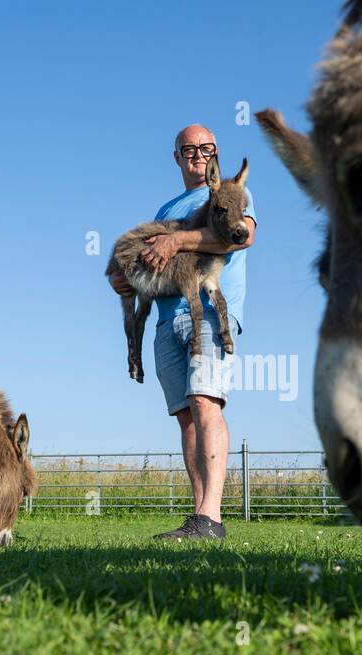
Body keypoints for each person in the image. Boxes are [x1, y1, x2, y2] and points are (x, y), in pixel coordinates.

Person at [109, 124, 257, 540]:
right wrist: (128, 280)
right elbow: (153, 264)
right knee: (186, 418)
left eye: (205, 148)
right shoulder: (165, 208)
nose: (197, 155)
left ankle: (212, 517)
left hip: (207, 313)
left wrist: (175, 243)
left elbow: (241, 237)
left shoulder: (231, 194)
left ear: (215, 154)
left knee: (206, 402)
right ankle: (199, 517)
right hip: (165, 318)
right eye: (188, 149)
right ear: (177, 157)